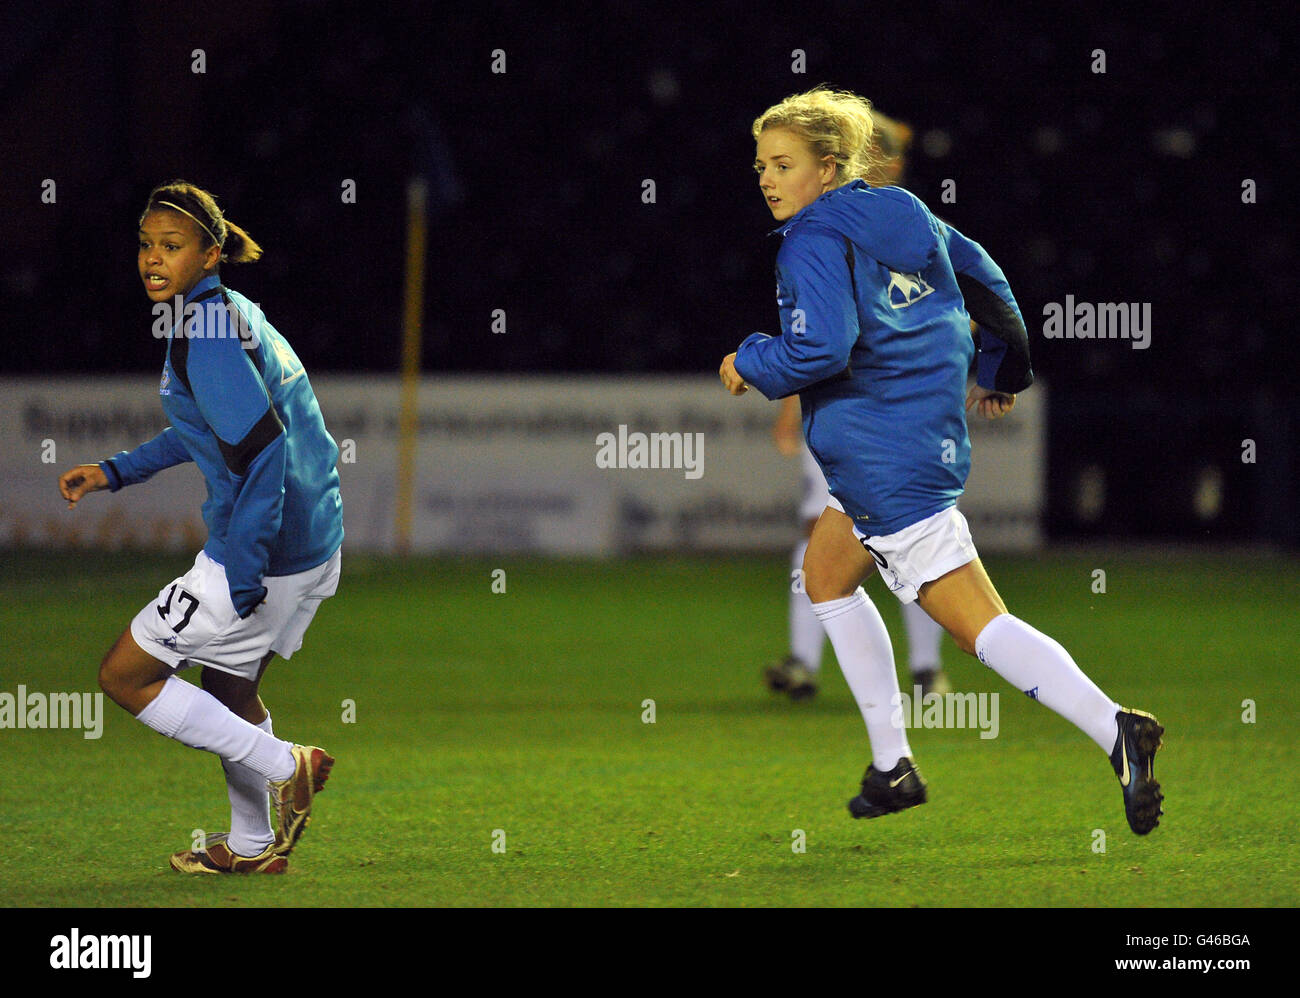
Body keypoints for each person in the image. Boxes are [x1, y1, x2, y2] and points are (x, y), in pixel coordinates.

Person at [720, 88, 1164, 835]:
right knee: (826, 574)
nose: (767, 178)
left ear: (827, 168)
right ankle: (892, 766)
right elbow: (987, 279)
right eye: (762, 164)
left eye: (784, 163)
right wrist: (1004, 369)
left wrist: (750, 360)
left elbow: (820, 348)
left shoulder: (809, 239)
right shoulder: (905, 210)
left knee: (979, 628)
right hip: (915, 439)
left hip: (883, 457)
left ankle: (1114, 727)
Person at [57, 180, 344, 871]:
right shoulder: (225, 312)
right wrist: (117, 470)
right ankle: (252, 847)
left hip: (265, 549)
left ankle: (289, 764)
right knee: (229, 687)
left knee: (125, 676)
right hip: (309, 536)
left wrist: (241, 569)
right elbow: (219, 430)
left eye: (172, 246)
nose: (153, 259)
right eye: (146, 245)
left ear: (211, 253)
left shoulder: (204, 333)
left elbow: (262, 448)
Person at [764, 109, 951, 702]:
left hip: (895, 417)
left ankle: (923, 671)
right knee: (820, 535)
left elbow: (950, 315)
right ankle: (805, 662)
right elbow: (814, 331)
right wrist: (795, 402)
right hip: (841, 412)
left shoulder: (911, 230)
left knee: (914, 541)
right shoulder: (832, 225)